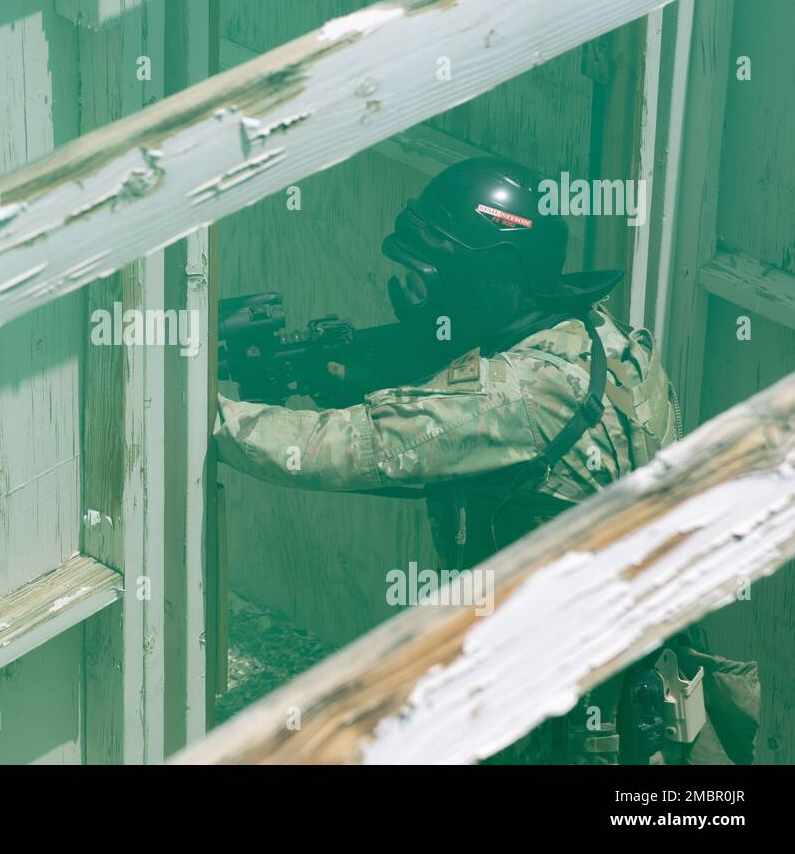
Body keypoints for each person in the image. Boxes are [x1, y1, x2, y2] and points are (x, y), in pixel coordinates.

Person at [212, 157, 759, 764]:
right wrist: (332, 367)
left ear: (485, 277)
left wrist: (195, 411)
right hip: (637, 685)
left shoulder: (518, 395)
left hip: (572, 727)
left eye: (426, 282)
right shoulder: (598, 338)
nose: (411, 301)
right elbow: (454, 392)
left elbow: (339, 448)